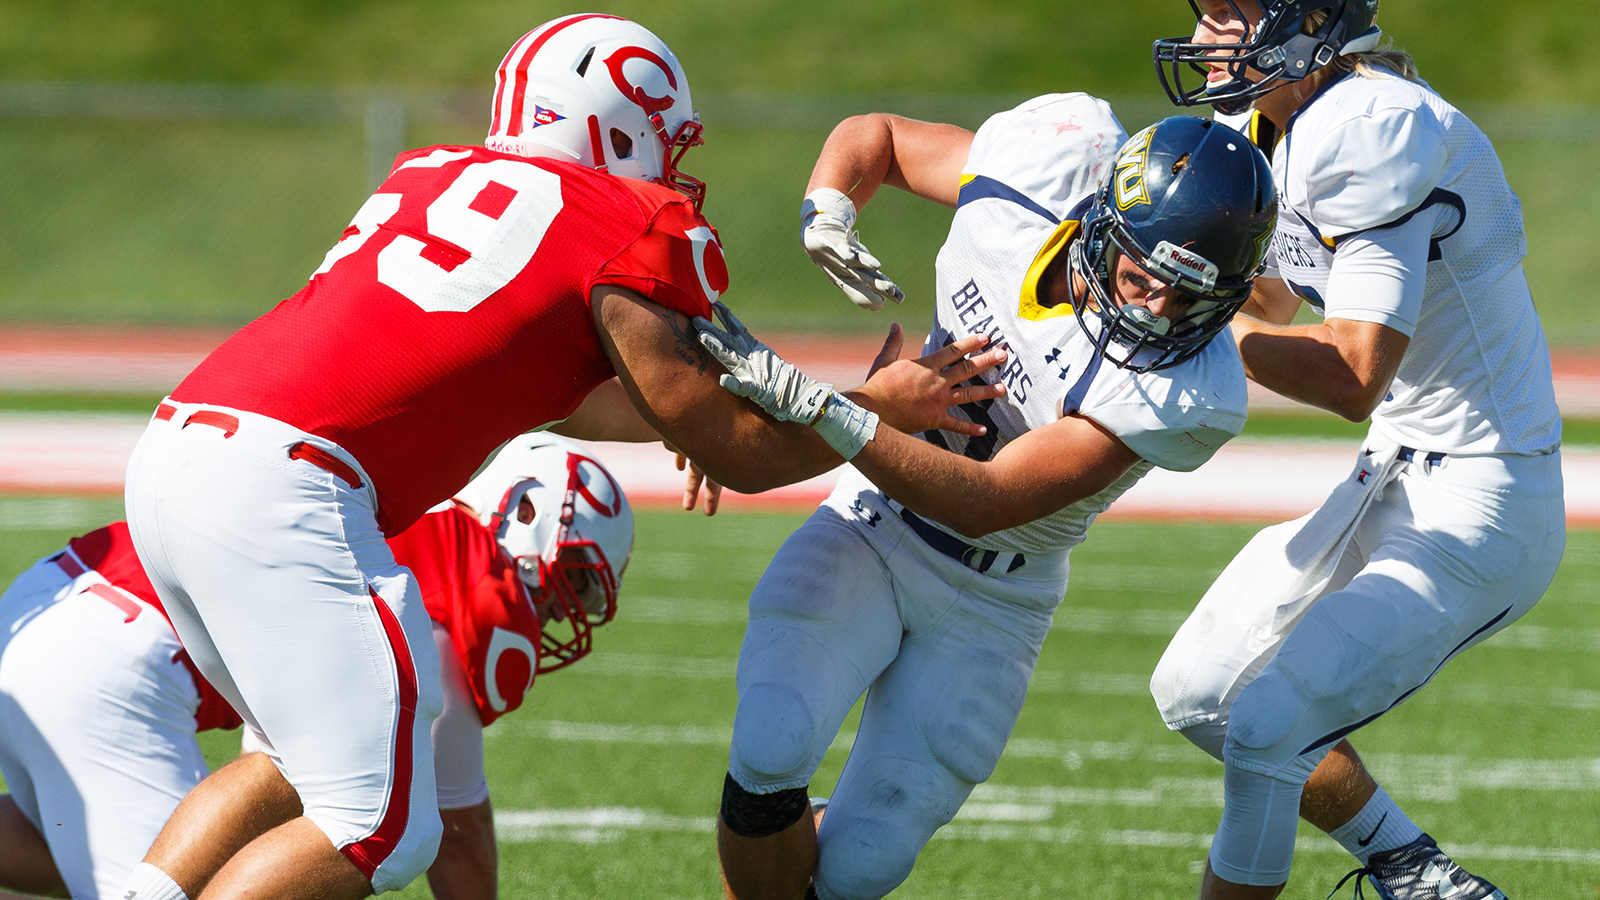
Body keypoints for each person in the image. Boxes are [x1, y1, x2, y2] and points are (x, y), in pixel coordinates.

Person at [116, 15, 1000, 900]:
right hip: (292, 485)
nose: (671, 164)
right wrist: (869, 409)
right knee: (379, 831)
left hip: (178, 446)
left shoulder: (428, 170)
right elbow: (741, 452)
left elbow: (558, 391)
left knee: (283, 764)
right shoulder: (616, 217)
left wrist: (682, 421)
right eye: (661, 138)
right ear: (616, 126)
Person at [695, 99, 1277, 900]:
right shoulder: (1045, 165)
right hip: (875, 523)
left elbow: (989, 499)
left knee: (863, 866)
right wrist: (829, 205)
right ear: (1104, 225)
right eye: (1142, 277)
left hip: (995, 592)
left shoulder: (1192, 390)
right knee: (770, 741)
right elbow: (884, 139)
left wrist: (830, 404)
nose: (1154, 313)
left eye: (1189, 300)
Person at [1148, 2, 1565, 899]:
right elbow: (1268, 300)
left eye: (1233, 10)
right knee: (1198, 690)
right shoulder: (1265, 120)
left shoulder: (1372, 125)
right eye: (1206, 10)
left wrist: (1191, 329)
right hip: (1394, 472)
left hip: (1484, 499)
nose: (1211, 32)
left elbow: (1351, 372)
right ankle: (1412, 866)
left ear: (1311, 20)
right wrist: (1152, 264)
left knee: (1267, 723)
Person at [0, 434, 626, 900]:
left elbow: (270, 782)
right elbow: (458, 834)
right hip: (119, 659)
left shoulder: (400, 521)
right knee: (201, 880)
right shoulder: (451, 586)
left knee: (75, 840)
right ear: (524, 512)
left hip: (43, 606)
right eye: (573, 579)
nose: (562, 609)